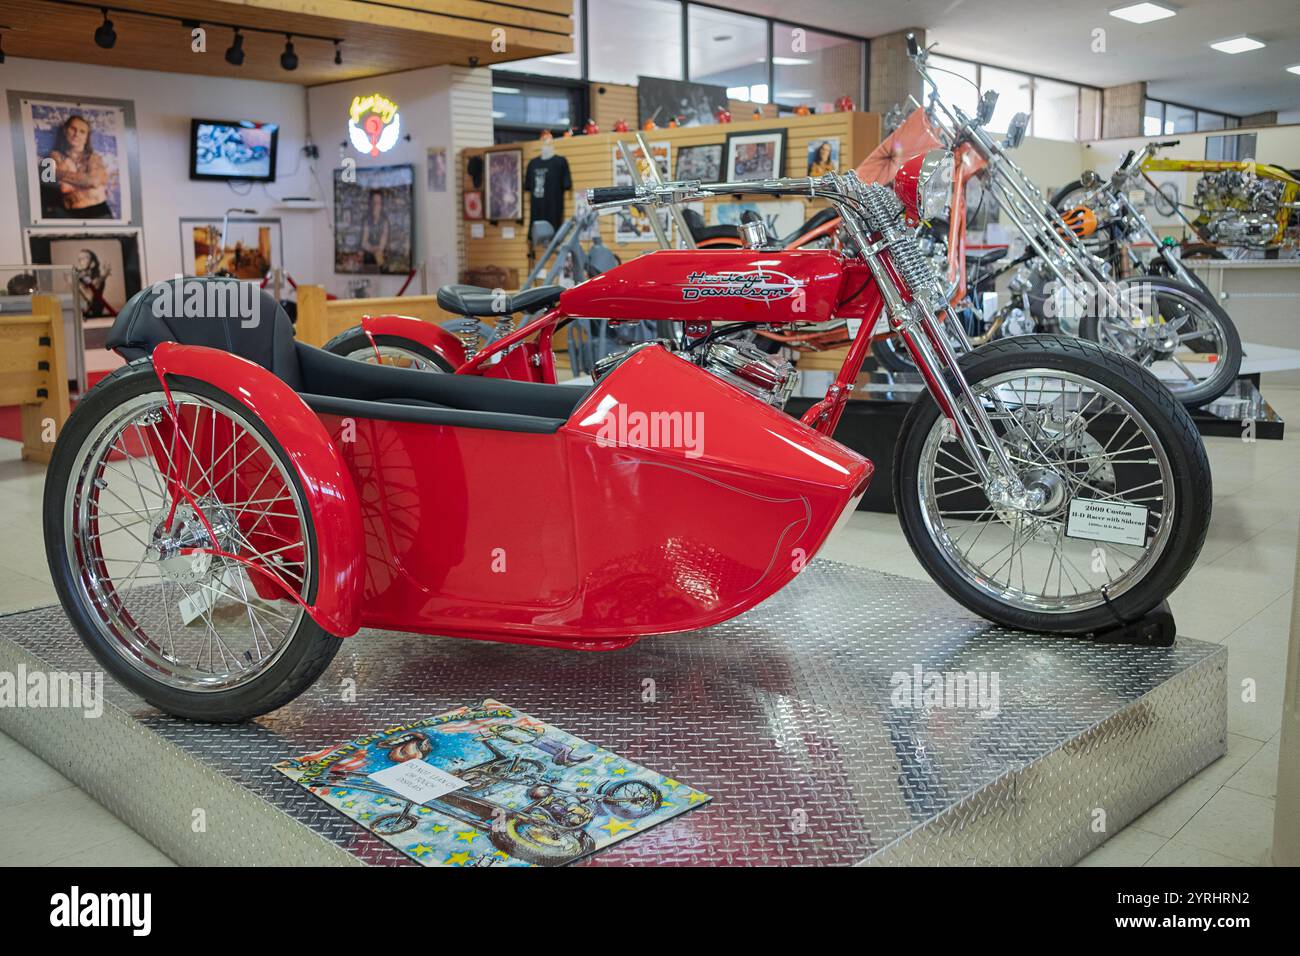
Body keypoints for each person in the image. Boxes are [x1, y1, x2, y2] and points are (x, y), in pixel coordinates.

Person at [44, 115, 112, 219]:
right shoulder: (52, 156)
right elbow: (54, 188)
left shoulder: (94, 158)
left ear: (86, 137)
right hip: (69, 215)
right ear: (65, 131)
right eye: (73, 129)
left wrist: (58, 173)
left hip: (99, 213)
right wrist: (84, 181)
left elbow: (93, 181)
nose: (76, 134)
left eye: (82, 132)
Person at [74, 249, 112, 318]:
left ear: (92, 263)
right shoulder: (77, 276)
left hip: (96, 313)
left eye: (84, 258)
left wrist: (102, 277)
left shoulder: (97, 278)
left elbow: (89, 295)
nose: (80, 260)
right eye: (79, 258)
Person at [359, 189, 389, 269]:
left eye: (378, 203)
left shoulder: (385, 221)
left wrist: (378, 250)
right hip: (368, 259)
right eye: (374, 202)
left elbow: (383, 243)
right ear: (370, 204)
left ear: (381, 205)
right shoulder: (366, 220)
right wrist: (372, 249)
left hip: (380, 258)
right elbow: (363, 243)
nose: (376, 206)